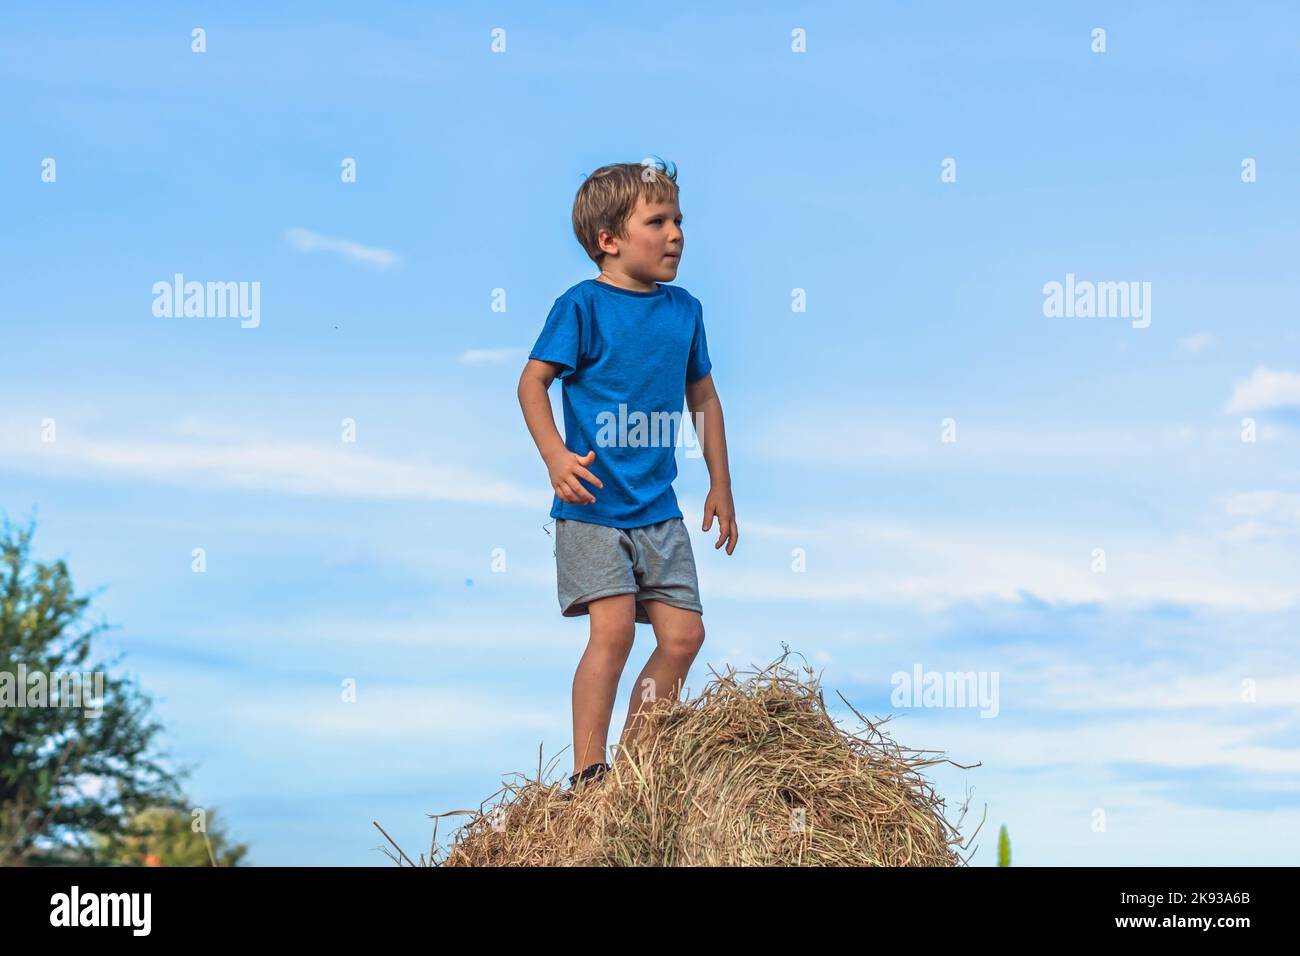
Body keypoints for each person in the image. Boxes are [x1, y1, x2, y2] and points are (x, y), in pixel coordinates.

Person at [517, 158, 739, 794]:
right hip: (591, 505)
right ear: (608, 240)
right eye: (657, 221)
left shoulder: (684, 311)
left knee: (685, 634)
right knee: (611, 630)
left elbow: (705, 399)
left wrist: (720, 485)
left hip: (658, 506)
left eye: (679, 220)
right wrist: (556, 457)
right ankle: (590, 776)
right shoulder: (581, 306)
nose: (676, 234)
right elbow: (532, 382)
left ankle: (634, 775)